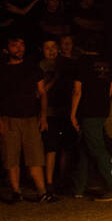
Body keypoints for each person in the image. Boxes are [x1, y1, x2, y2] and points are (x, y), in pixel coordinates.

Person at [0, 35, 54, 202]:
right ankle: (16, 191)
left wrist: (43, 116)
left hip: (31, 118)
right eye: (14, 45)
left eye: (21, 44)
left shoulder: (32, 67)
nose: (19, 48)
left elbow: (42, 93)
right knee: (11, 157)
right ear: (6, 49)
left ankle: (42, 192)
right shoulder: (0, 70)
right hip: (9, 119)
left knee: (35, 156)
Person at [70, 57, 112, 201]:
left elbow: (77, 91)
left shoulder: (82, 63)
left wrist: (73, 114)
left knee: (98, 149)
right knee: (85, 148)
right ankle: (78, 188)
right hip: (102, 111)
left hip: (89, 112)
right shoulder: (108, 64)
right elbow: (110, 90)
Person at [38, 38, 77, 191]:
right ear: (42, 50)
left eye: (54, 46)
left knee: (66, 147)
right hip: (49, 112)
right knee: (51, 148)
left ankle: (63, 179)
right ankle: (49, 182)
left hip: (65, 111)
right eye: (47, 47)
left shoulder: (67, 64)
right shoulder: (41, 67)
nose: (51, 50)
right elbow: (41, 91)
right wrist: (55, 77)